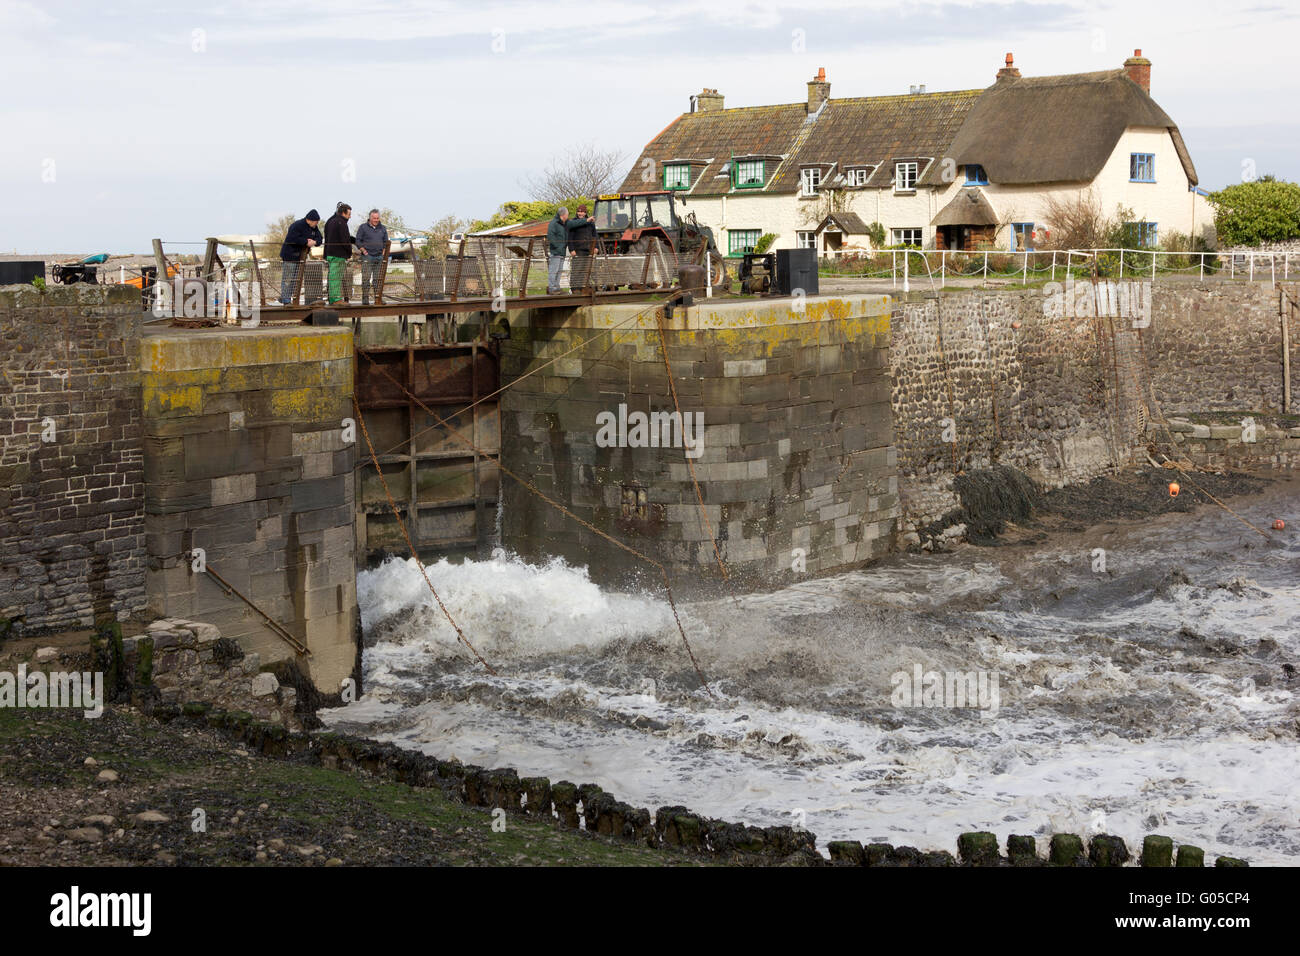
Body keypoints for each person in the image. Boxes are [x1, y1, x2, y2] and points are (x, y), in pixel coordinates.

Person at [279, 209, 321, 305]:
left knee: (296, 280)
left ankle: (291, 298)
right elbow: (292, 238)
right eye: (316, 222)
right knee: (288, 278)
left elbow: (319, 238)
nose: (316, 224)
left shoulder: (314, 228)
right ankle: (286, 300)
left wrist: (314, 242)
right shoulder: (297, 225)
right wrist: (306, 241)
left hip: (301, 257)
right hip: (290, 255)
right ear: (309, 220)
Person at [354, 208, 388, 305]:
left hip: (379, 257)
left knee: (378, 279)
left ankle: (378, 299)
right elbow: (358, 241)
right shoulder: (363, 227)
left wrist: (383, 252)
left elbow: (386, 242)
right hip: (367, 257)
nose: (376, 220)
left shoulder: (383, 228)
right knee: (366, 279)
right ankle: (365, 300)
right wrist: (364, 251)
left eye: (377, 218)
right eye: (374, 218)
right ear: (370, 218)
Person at [323, 202, 354, 304]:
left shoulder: (330, 221)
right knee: (336, 278)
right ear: (343, 213)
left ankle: (332, 298)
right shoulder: (342, 223)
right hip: (338, 255)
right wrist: (349, 252)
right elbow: (345, 239)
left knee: (332, 277)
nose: (350, 216)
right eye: (349, 214)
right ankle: (336, 299)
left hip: (330, 253)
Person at [567, 203, 597, 291]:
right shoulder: (573, 222)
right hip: (577, 250)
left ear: (585, 213)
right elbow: (570, 238)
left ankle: (583, 287)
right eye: (578, 212)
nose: (580, 214)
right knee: (577, 270)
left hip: (588, 249)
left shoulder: (590, 223)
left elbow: (595, 235)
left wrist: (596, 247)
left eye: (582, 212)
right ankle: (575, 288)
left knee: (586, 270)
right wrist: (571, 249)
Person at [547, 206, 573, 294]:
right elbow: (550, 236)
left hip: (562, 252)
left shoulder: (563, 224)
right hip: (556, 252)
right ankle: (552, 288)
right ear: (564, 215)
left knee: (559, 271)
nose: (568, 216)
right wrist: (557, 247)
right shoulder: (554, 223)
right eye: (567, 214)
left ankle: (556, 287)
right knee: (553, 270)